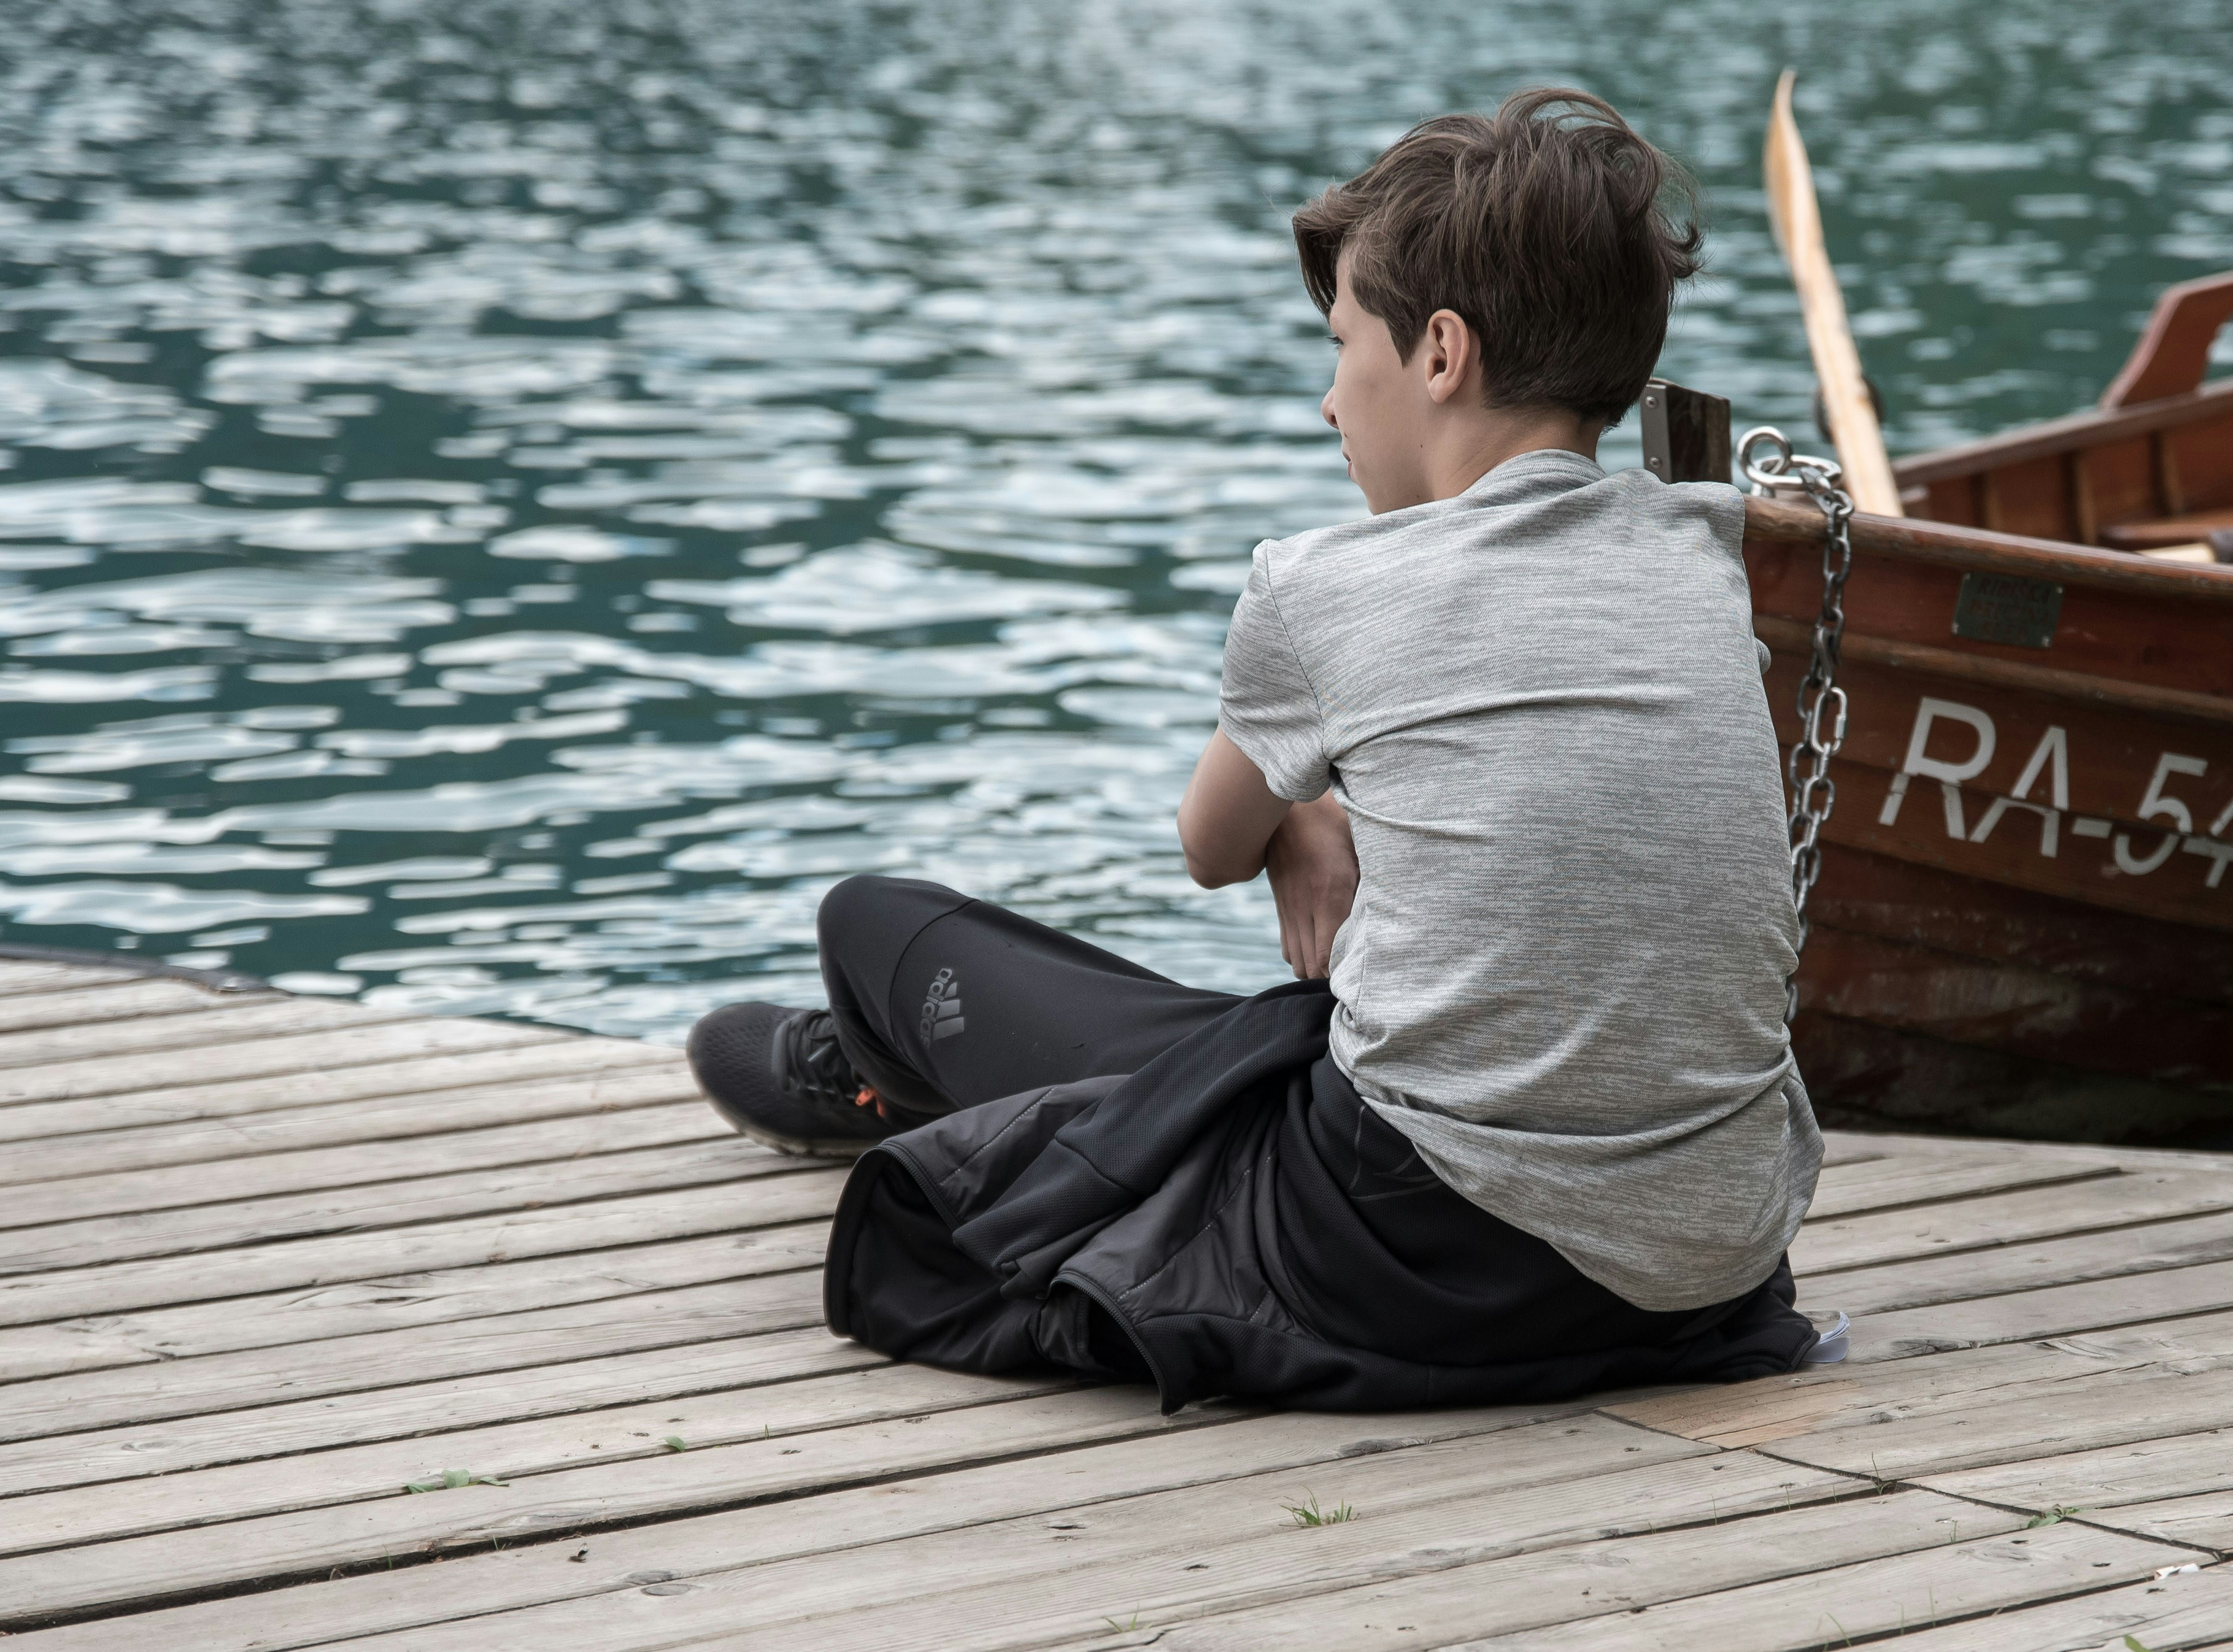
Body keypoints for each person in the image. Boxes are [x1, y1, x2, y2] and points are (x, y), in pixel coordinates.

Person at [688, 85, 1832, 1411]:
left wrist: (1301, 812)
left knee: (875, 925)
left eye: (1345, 343)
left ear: (1441, 353)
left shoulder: (1316, 588)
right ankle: (929, 1078)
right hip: (1712, 1265)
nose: (1328, 400)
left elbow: (1208, 845)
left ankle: (888, 1067)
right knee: (1278, 1038)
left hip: (1416, 1258)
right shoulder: (1700, 556)